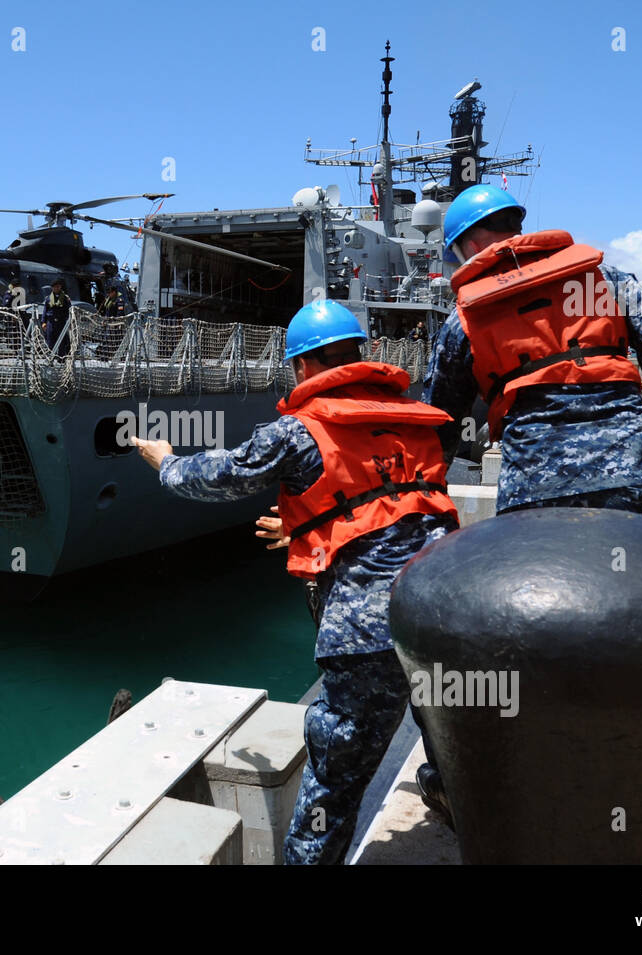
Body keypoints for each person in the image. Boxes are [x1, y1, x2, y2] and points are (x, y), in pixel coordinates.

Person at [130, 300, 460, 864]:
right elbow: (391, 499)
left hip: (368, 632)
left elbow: (219, 477)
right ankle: (458, 804)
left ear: (302, 368)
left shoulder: (296, 432)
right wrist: (309, 521)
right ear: (361, 355)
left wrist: (165, 462)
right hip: (448, 606)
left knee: (335, 777)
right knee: (450, 728)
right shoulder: (415, 415)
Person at [424, 183, 642, 522]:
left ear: (467, 246)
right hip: (635, 481)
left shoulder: (465, 317)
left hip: (535, 495)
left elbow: (437, 423)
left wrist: (429, 499)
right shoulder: (603, 280)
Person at [42, 278, 71, 352]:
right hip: (50, 322)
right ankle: (51, 357)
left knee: (62, 340)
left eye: (58, 287)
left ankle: (61, 358)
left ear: (60, 287)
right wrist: (44, 322)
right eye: (55, 287)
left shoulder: (65, 298)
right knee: (50, 340)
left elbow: (69, 310)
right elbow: (45, 310)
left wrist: (69, 321)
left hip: (61, 322)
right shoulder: (48, 299)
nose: (56, 288)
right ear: (52, 288)